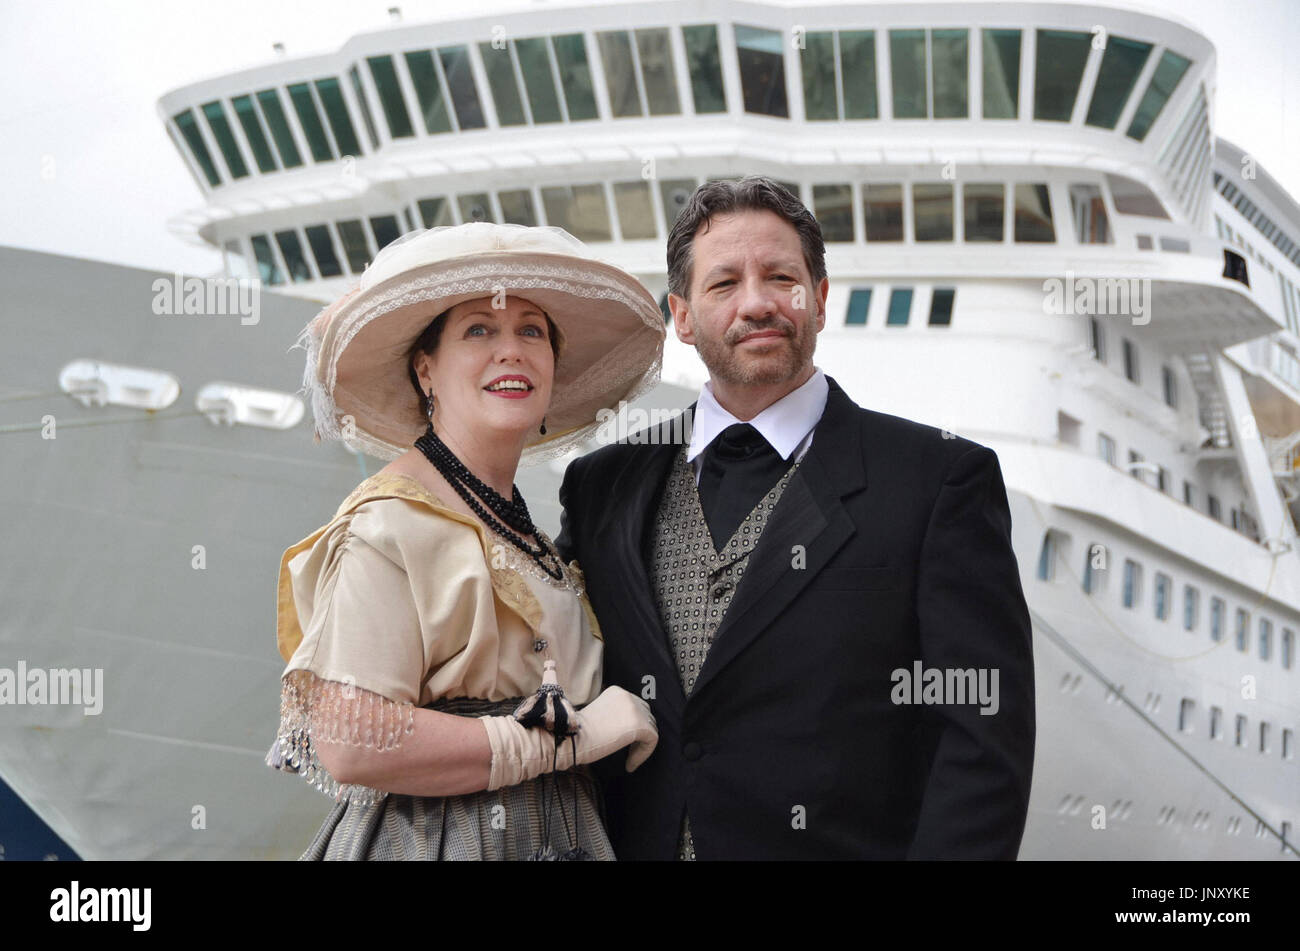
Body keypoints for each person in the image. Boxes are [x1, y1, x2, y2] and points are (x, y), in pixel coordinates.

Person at [556, 176, 1036, 860]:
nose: (757, 303)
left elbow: (983, 747)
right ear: (683, 316)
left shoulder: (938, 482)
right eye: (724, 284)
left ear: (819, 297)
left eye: (781, 277)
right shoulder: (602, 486)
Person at [268, 222, 664, 860]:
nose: (511, 351)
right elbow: (349, 740)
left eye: (531, 331)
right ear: (426, 368)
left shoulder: (518, 525)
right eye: (479, 329)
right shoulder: (391, 522)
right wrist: (574, 738)